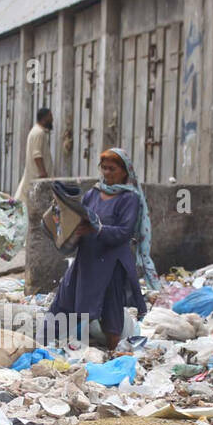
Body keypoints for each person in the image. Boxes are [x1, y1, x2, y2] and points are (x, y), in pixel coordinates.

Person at [44, 148, 161, 352]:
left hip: (111, 262)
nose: (107, 173)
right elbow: (81, 217)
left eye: (112, 169)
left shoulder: (129, 198)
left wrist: (97, 229)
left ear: (125, 172)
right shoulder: (93, 193)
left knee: (111, 309)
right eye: (104, 168)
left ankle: (113, 353)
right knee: (65, 300)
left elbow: (124, 232)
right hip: (87, 259)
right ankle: (44, 343)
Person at [15, 107, 53, 207]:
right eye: (50, 116)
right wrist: (43, 174)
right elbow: (37, 155)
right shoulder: (38, 133)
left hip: (34, 178)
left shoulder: (36, 131)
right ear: (45, 118)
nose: (52, 119)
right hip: (37, 179)